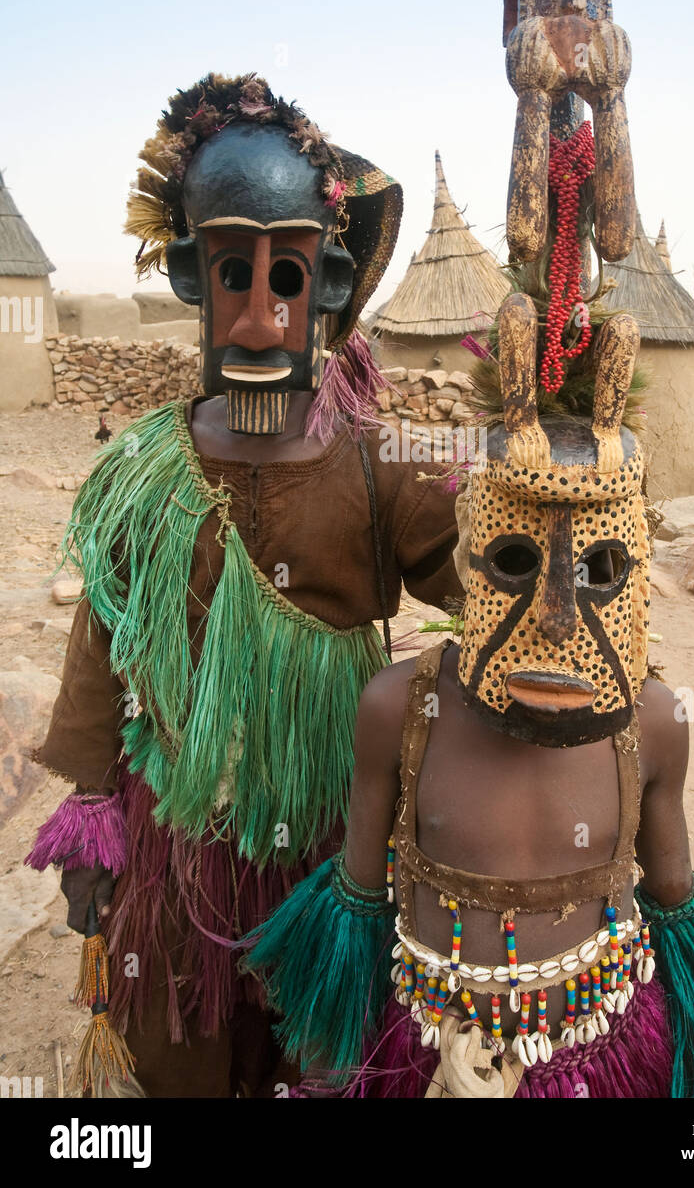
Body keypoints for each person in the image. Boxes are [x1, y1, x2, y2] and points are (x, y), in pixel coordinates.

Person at [243, 292, 694, 1098]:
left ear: (636, 568)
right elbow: (358, 902)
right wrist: (328, 1067)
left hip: (602, 1053)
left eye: (600, 571)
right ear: (467, 556)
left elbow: (675, 902)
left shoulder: (653, 725)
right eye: (516, 562)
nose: (560, 622)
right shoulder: (401, 709)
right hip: (424, 1051)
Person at [26, 73, 462, 1097]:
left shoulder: (380, 464)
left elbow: (495, 601)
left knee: (321, 1052)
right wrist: (92, 818)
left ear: (330, 281)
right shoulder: (141, 470)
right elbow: (104, 643)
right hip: (173, 837)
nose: (262, 321)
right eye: (232, 274)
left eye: (290, 279)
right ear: (189, 275)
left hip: (333, 846)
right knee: (177, 1048)